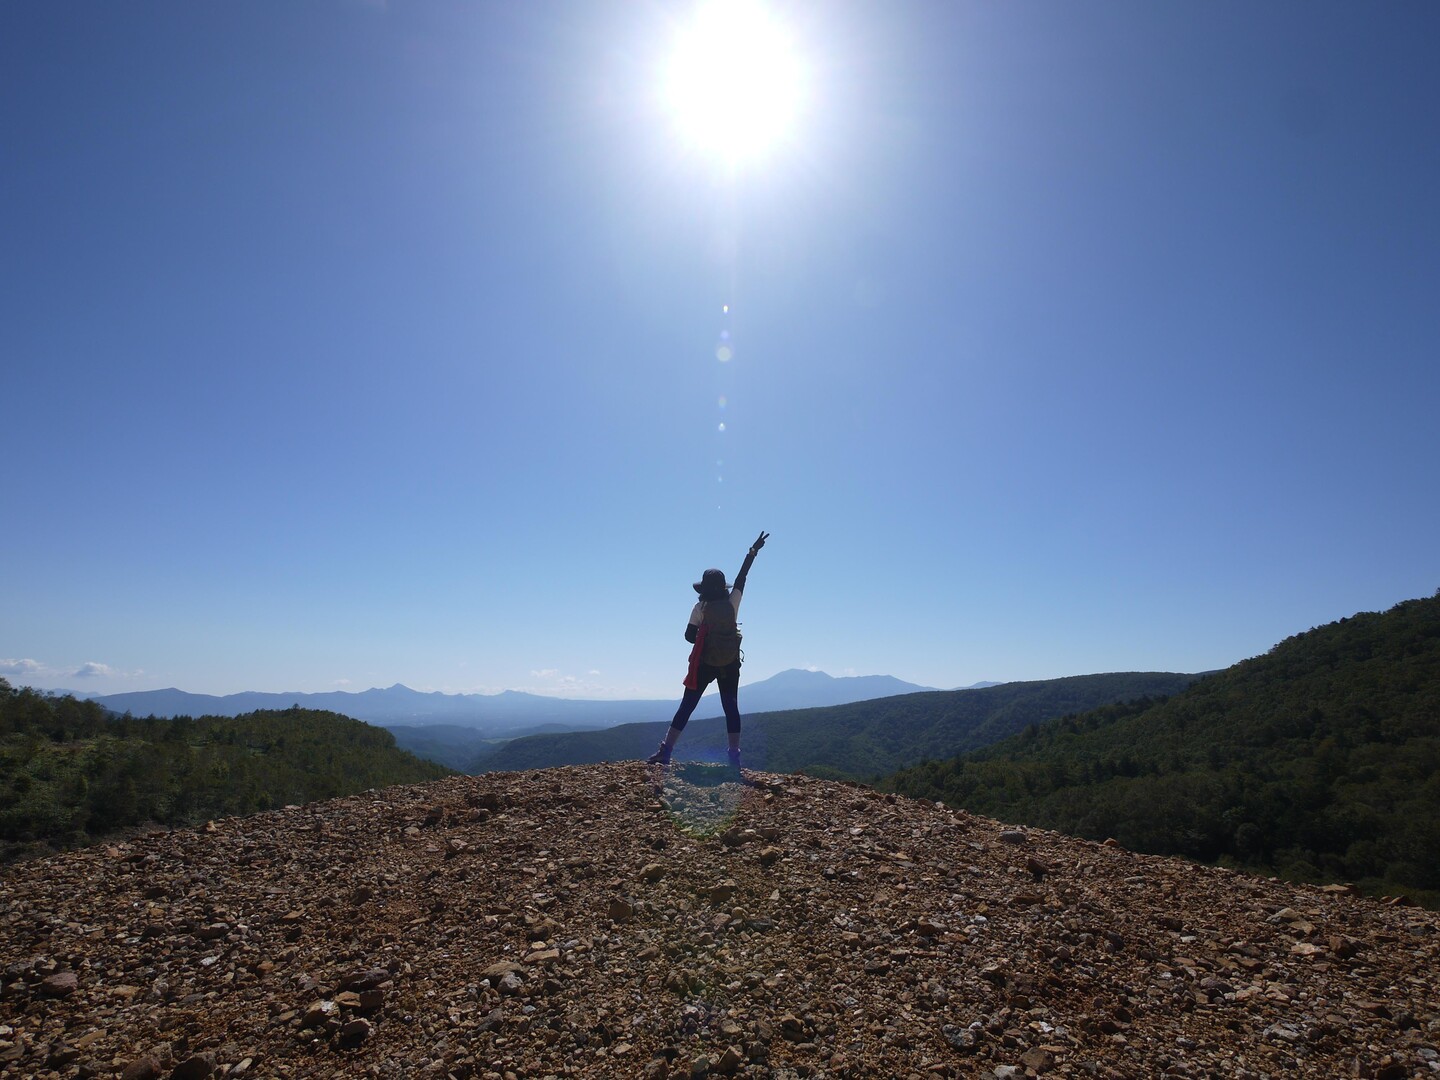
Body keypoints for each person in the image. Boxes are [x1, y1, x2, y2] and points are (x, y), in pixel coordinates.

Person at [647, 531, 769, 771]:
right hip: (730, 663)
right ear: (722, 587)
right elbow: (742, 577)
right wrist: (751, 553)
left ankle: (666, 751)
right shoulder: (733, 601)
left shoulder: (700, 607)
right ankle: (734, 757)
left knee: (687, 705)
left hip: (705, 664)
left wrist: (705, 635)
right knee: (731, 708)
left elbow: (689, 636)